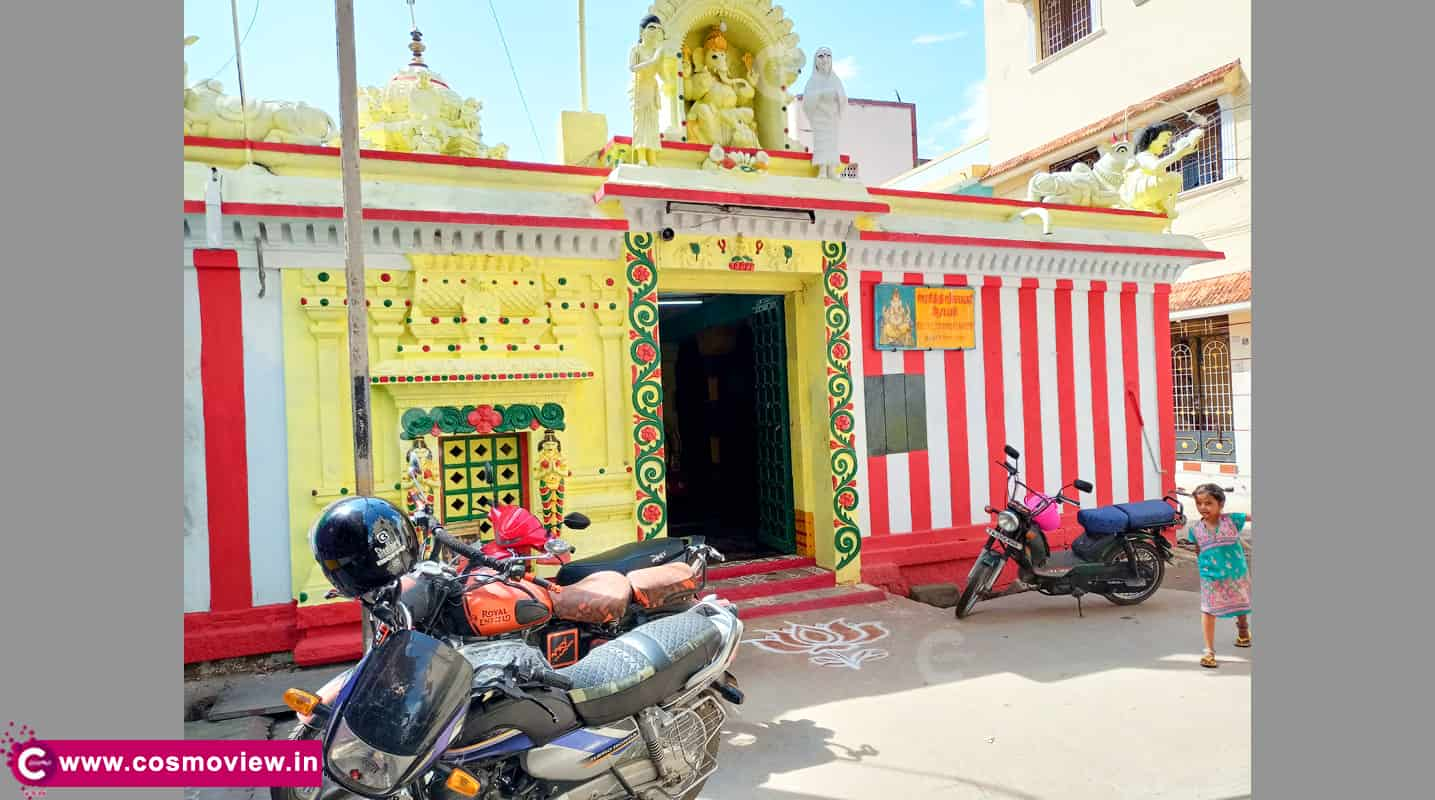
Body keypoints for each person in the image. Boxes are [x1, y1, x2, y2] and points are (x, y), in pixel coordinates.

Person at [1184, 484, 1251, 668]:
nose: (1203, 507)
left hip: (1236, 575)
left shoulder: (1232, 521)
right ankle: (1209, 652)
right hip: (1210, 578)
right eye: (1199, 503)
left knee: (1241, 604)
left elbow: (1250, 516)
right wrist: (1206, 571)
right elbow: (1199, 551)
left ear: (1220, 504)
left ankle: (1243, 630)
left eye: (1208, 503)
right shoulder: (1195, 530)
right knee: (1208, 610)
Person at [800, 47, 848, 179]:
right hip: (819, 118)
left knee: (832, 143)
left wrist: (836, 96)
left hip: (832, 117)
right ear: (815, 61)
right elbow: (807, 101)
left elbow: (843, 98)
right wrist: (822, 95)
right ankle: (822, 169)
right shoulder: (812, 81)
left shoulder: (836, 80)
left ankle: (832, 169)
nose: (825, 59)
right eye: (821, 56)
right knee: (821, 142)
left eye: (828, 56)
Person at [629, 15, 665, 167]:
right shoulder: (636, 49)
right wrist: (652, 61)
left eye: (657, 28)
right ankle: (642, 154)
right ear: (642, 31)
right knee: (641, 121)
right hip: (639, 87)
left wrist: (670, 78)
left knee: (652, 121)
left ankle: (652, 156)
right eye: (651, 27)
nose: (654, 31)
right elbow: (632, 67)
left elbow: (660, 71)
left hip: (652, 86)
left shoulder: (656, 50)